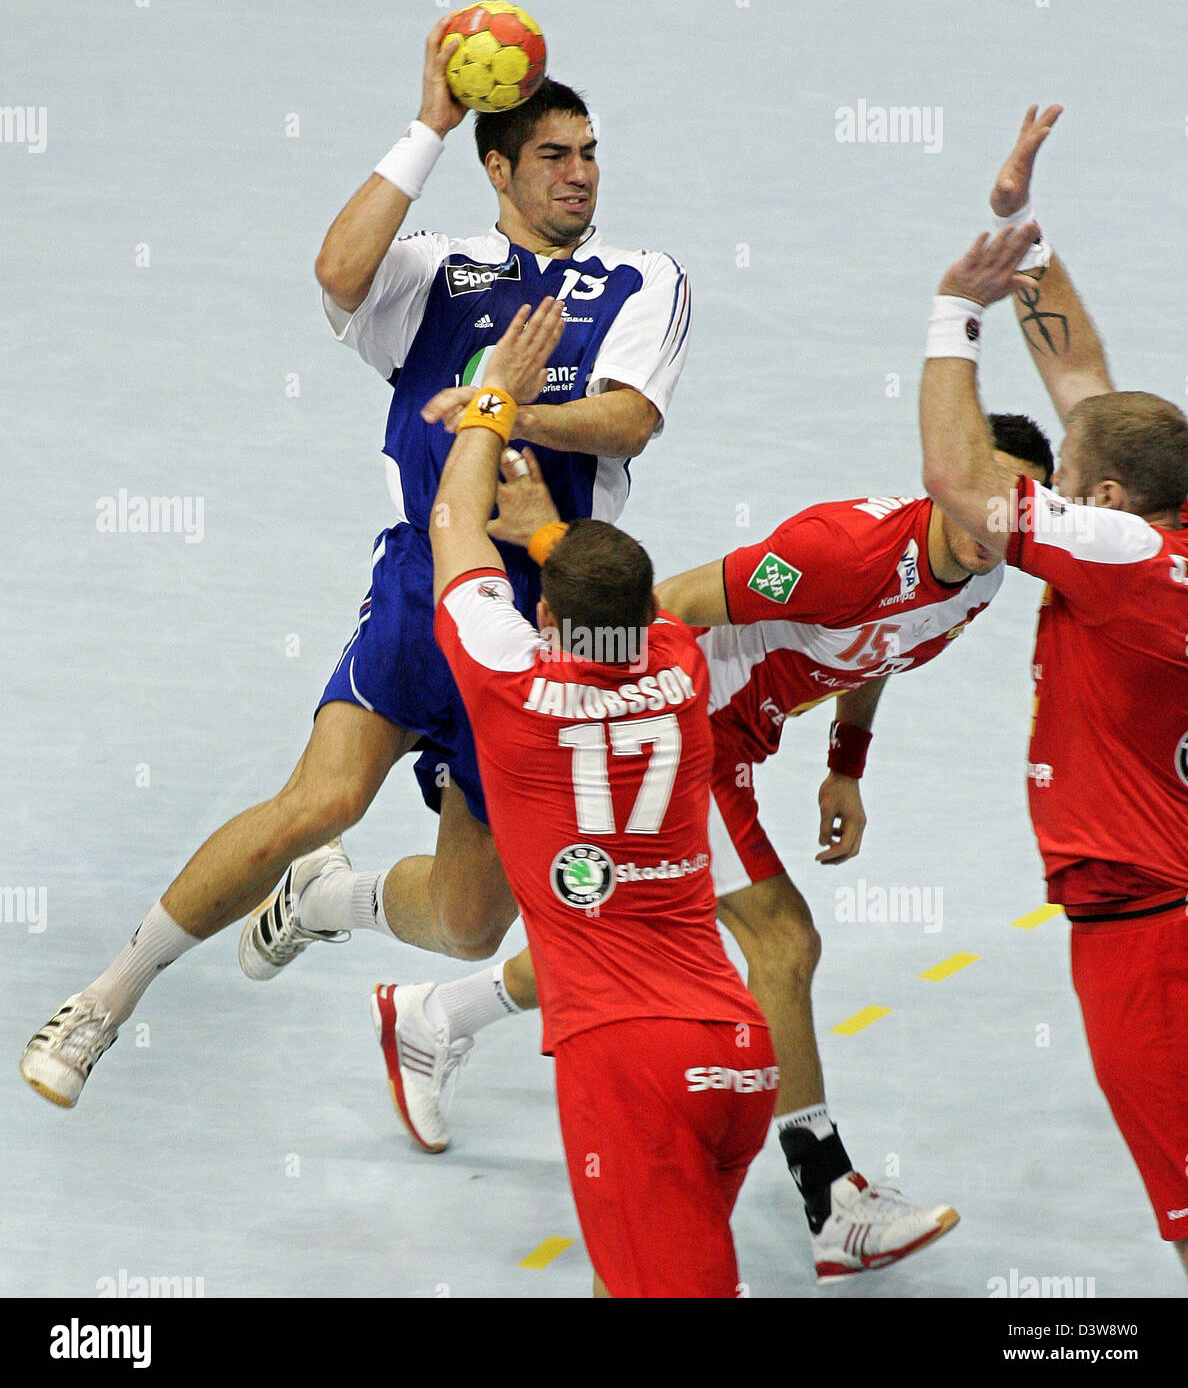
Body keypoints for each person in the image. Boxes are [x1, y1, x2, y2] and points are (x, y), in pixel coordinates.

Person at [19, 19, 691, 1108]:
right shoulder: (436, 272)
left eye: (590, 151)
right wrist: (430, 120)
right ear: (500, 169)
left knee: (475, 920)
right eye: (555, 156)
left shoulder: (637, 278)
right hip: (426, 584)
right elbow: (336, 270)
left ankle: (327, 905)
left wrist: (507, 409)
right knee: (317, 798)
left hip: (540, 619)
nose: (581, 174)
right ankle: (106, 995)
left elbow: (630, 421)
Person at [291, 413, 1052, 1279]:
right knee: (783, 940)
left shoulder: (980, 578)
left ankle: (433, 1016)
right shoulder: (838, 550)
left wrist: (847, 760)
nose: (994, 517)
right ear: (944, 476)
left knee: (628, 935)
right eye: (981, 491)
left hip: (742, 733)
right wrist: (556, 578)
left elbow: (882, 643)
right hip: (693, 727)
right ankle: (831, 1199)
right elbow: (667, 610)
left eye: (1016, 501)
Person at [428, 295, 777, 1297]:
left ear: (546, 613)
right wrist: (549, 534)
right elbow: (607, 603)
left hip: (628, 1067)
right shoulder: (679, 663)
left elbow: (451, 526)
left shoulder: (514, 690)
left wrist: (492, 397)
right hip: (736, 1050)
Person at [918, 107, 1188, 1276]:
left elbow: (960, 479)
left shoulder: (1119, 560)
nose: (1053, 494)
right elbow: (1085, 388)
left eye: (1069, 488)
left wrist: (952, 309)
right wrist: (1017, 233)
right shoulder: (1154, 537)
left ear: (1113, 501)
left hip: (1147, 931)